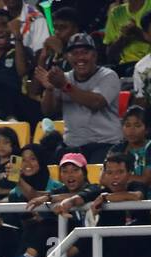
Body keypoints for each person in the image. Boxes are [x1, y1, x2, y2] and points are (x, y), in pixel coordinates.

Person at [38, 33, 123, 163]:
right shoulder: (64, 77)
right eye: (75, 53)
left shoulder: (108, 76)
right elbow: (48, 111)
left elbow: (96, 102)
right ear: (67, 57)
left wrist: (64, 86)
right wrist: (49, 89)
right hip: (73, 146)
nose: (80, 58)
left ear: (94, 55)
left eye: (85, 52)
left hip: (105, 144)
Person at [120, 106, 151, 197]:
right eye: (127, 125)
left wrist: (118, 179)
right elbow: (104, 179)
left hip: (150, 201)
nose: (131, 130)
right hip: (121, 198)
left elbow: (146, 180)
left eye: (137, 125)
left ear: (147, 129)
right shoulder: (117, 149)